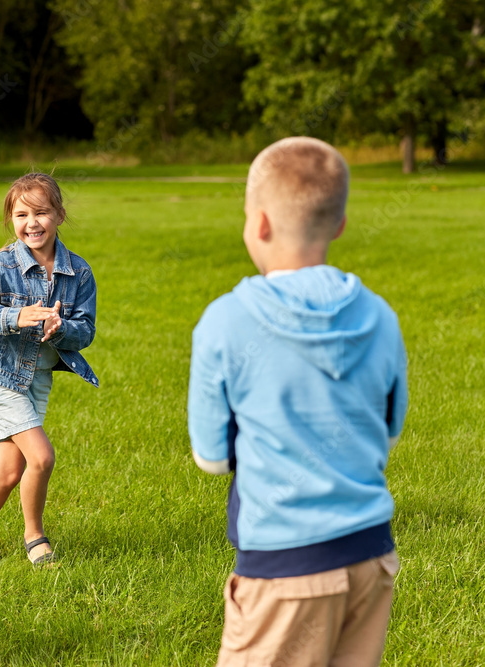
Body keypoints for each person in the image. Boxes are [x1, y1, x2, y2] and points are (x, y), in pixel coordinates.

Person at [187, 137, 408, 666]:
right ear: (339, 225)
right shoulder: (380, 315)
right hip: (371, 556)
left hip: (283, 565)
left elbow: (212, 458)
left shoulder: (226, 319)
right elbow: (388, 430)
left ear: (259, 223)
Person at [0, 172, 98, 565]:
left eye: (41, 212)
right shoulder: (2, 265)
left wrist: (61, 328)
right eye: (21, 215)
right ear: (11, 220)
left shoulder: (79, 272)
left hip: (36, 380)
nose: (32, 223)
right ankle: (35, 538)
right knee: (42, 457)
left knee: (8, 472)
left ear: (59, 215)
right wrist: (14, 316)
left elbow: (85, 330)